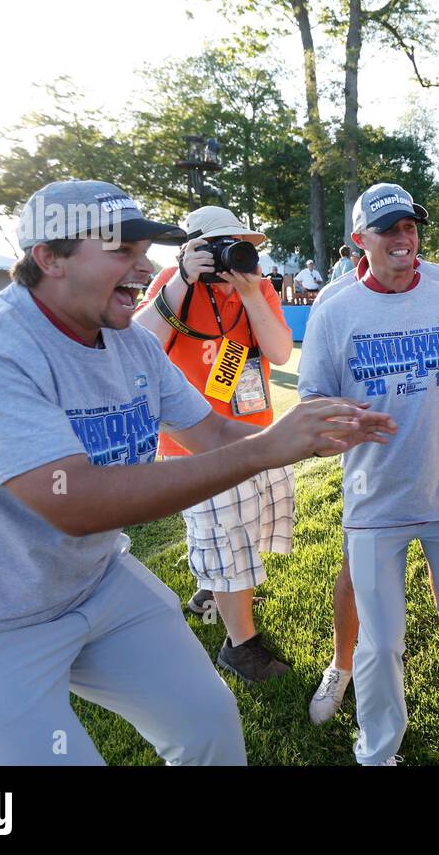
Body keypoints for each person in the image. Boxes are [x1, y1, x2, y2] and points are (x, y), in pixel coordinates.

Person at [0, 179, 394, 765]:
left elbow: (211, 431)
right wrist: (265, 450)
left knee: (207, 723)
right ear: (49, 257)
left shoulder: (130, 345)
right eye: (123, 252)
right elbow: (75, 501)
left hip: (87, 583)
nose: (145, 268)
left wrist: (311, 440)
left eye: (146, 253)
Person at [298, 182, 439, 766]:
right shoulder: (336, 309)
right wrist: (347, 421)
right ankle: (378, 749)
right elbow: (312, 403)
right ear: (360, 241)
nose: (402, 238)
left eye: (410, 226)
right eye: (388, 230)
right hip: (374, 502)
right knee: (381, 642)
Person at [133, 205, 296, 682]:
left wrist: (249, 295)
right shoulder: (171, 282)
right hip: (195, 444)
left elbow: (281, 352)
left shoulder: (257, 285)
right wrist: (183, 279)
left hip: (252, 433)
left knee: (242, 530)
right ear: (192, 250)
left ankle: (213, 591)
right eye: (217, 249)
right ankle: (240, 645)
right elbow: (135, 345)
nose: (230, 259)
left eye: (236, 247)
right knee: (227, 537)